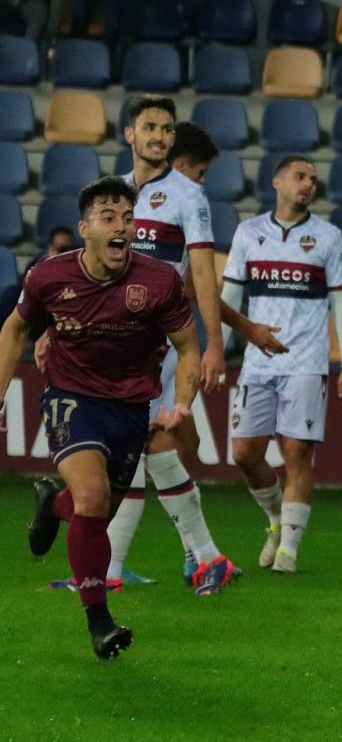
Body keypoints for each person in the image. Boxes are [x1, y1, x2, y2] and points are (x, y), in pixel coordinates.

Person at [1, 176, 198, 658]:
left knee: (95, 511)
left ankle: (53, 506)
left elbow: (189, 346)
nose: (122, 226)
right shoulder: (48, 276)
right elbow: (15, 328)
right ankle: (100, 621)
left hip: (131, 407)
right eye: (109, 218)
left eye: (128, 218)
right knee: (92, 496)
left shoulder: (158, 281)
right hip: (72, 397)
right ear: (85, 228)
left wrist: (185, 401)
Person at [114, 97, 237, 594]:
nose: (159, 136)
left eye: (166, 128)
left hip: (159, 340)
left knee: (138, 440)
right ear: (131, 135)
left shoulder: (187, 195)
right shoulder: (113, 192)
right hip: (113, 337)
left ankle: (194, 559)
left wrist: (213, 344)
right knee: (145, 443)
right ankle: (199, 559)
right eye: (149, 127)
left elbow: (203, 274)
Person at [222, 155, 342, 574]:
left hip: (307, 361)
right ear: (277, 181)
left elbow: (341, 303)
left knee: (296, 454)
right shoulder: (248, 234)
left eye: (313, 180)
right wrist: (214, 351)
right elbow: (229, 298)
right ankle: (277, 520)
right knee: (244, 453)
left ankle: (289, 552)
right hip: (257, 363)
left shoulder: (329, 238)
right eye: (300, 177)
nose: (308, 185)